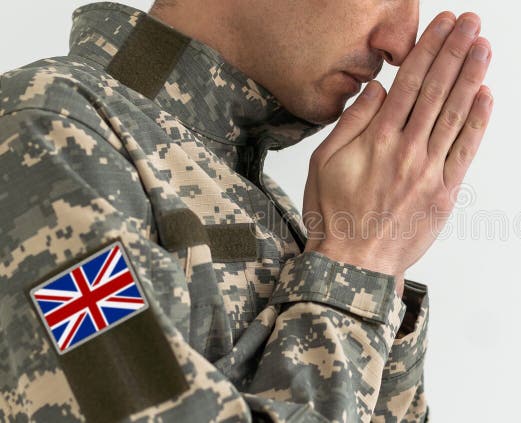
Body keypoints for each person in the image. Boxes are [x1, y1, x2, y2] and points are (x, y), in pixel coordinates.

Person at [0, 0, 493, 421]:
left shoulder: (271, 205)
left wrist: (378, 258)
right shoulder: (48, 136)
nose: (400, 44)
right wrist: (356, 267)